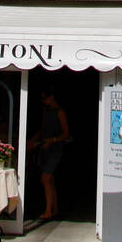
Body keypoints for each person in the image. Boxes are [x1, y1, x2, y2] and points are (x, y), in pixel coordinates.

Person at [27, 88, 69, 220]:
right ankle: (53, 209)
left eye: (45, 98)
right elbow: (43, 129)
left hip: (55, 148)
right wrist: (33, 140)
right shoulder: (46, 111)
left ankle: (48, 211)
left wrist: (53, 140)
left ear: (52, 97)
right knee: (49, 179)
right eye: (42, 99)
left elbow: (66, 133)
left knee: (45, 178)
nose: (44, 101)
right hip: (45, 147)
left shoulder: (60, 112)